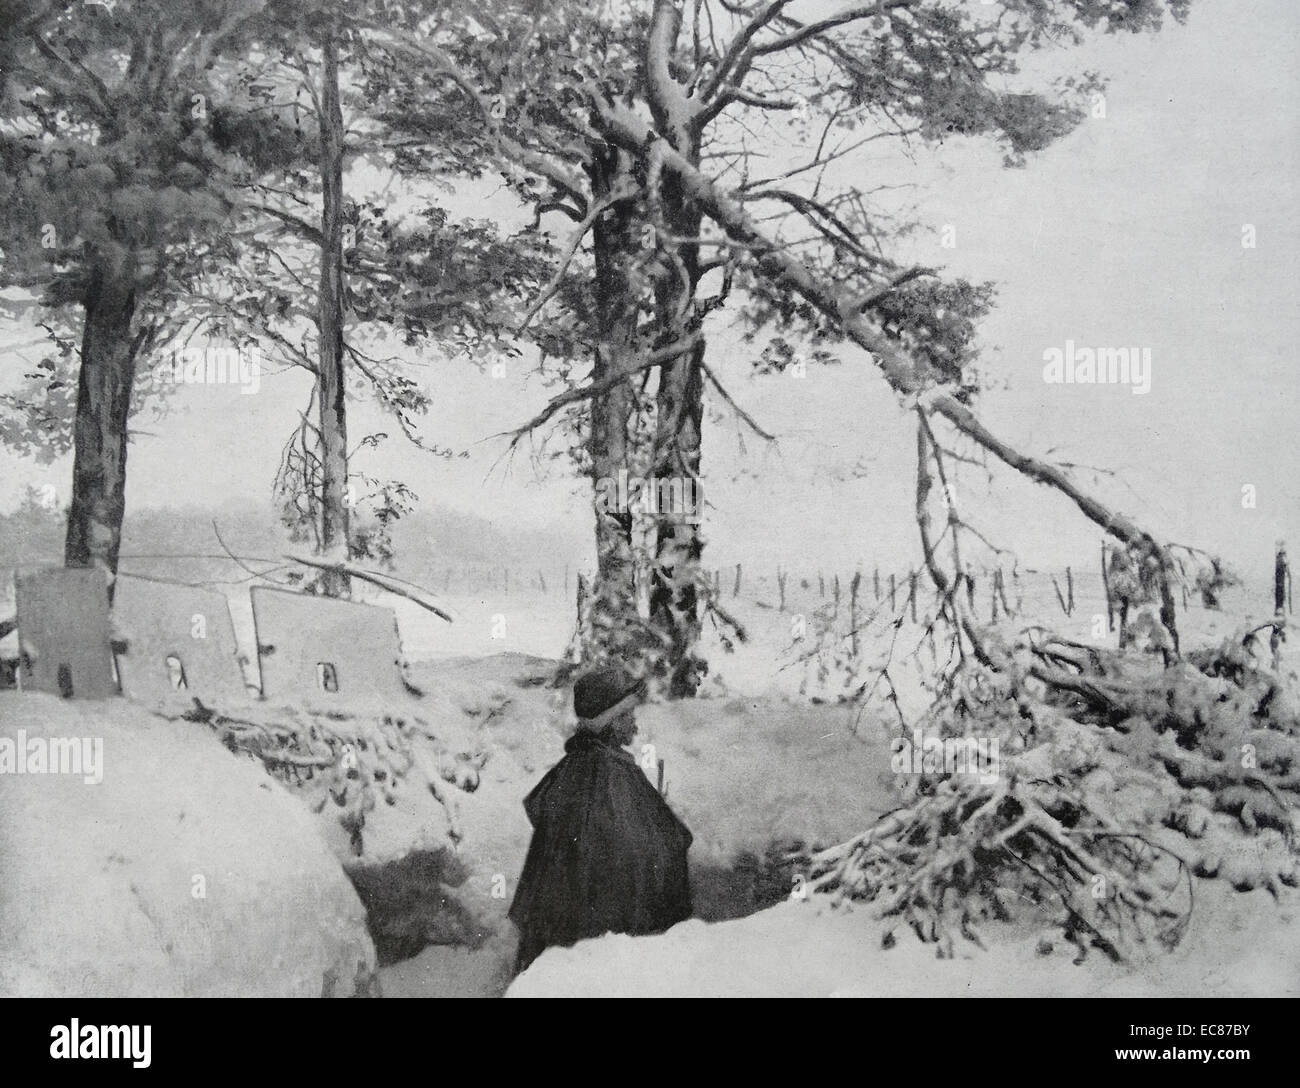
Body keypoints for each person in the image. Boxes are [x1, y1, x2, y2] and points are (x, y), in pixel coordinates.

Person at [509, 666, 693, 973]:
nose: (634, 721)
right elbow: (631, 849)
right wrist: (660, 826)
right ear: (610, 721)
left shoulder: (576, 765)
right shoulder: (607, 773)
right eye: (626, 714)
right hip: (600, 933)